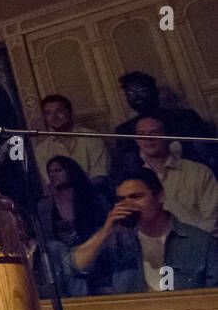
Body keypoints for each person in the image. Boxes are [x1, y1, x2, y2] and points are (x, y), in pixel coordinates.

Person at [68, 170, 218, 295]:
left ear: (160, 196)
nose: (128, 204)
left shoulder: (200, 242)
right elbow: (76, 267)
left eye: (136, 197)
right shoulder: (116, 241)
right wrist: (106, 230)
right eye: (121, 199)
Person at [111, 71, 215, 178]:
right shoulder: (125, 130)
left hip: (192, 177)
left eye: (142, 90)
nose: (137, 96)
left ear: (155, 92)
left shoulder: (185, 117)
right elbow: (129, 169)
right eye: (130, 93)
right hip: (150, 184)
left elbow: (207, 153)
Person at [128, 114, 218, 234]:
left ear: (167, 136)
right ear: (136, 140)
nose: (148, 138)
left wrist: (197, 246)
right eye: (141, 134)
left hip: (201, 246)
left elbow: (213, 218)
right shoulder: (133, 182)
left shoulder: (198, 171)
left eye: (154, 132)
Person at [34, 156, 110, 296]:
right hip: (62, 262)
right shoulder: (45, 206)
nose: (52, 175)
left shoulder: (94, 198)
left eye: (58, 170)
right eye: (50, 172)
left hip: (94, 254)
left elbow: (104, 229)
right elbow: (46, 240)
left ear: (71, 171)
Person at [33, 93, 109, 189]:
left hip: (94, 194)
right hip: (64, 199)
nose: (54, 117)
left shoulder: (92, 138)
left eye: (59, 111)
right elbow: (51, 184)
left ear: (69, 112)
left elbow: (100, 176)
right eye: (48, 113)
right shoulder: (42, 150)